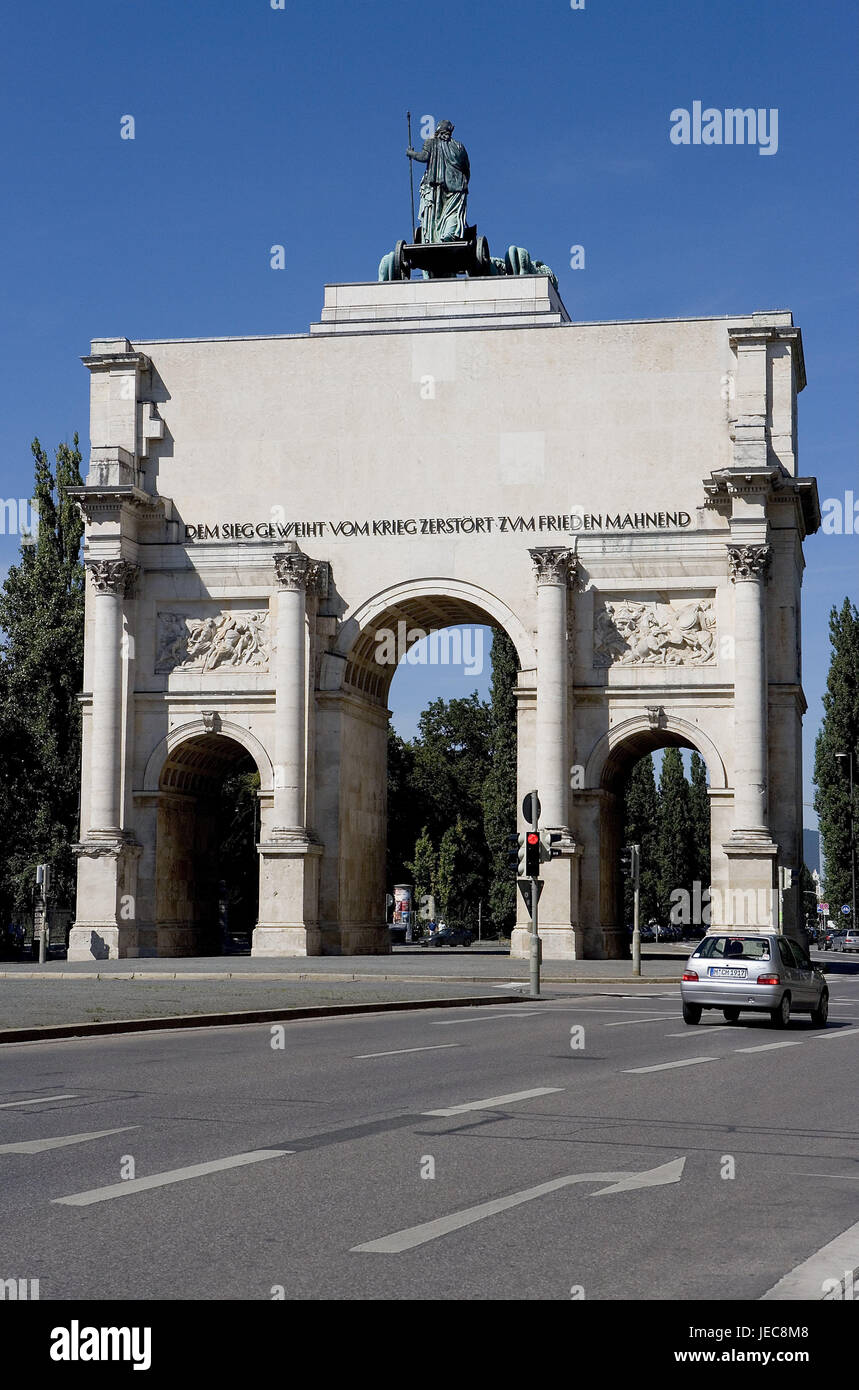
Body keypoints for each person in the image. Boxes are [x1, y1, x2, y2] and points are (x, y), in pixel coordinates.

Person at [406, 121, 470, 243]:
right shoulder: (459, 146)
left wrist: (411, 153)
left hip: (435, 185)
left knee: (435, 212)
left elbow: (423, 157)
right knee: (453, 213)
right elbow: (466, 168)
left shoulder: (431, 142)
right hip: (457, 186)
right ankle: (448, 234)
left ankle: (432, 238)